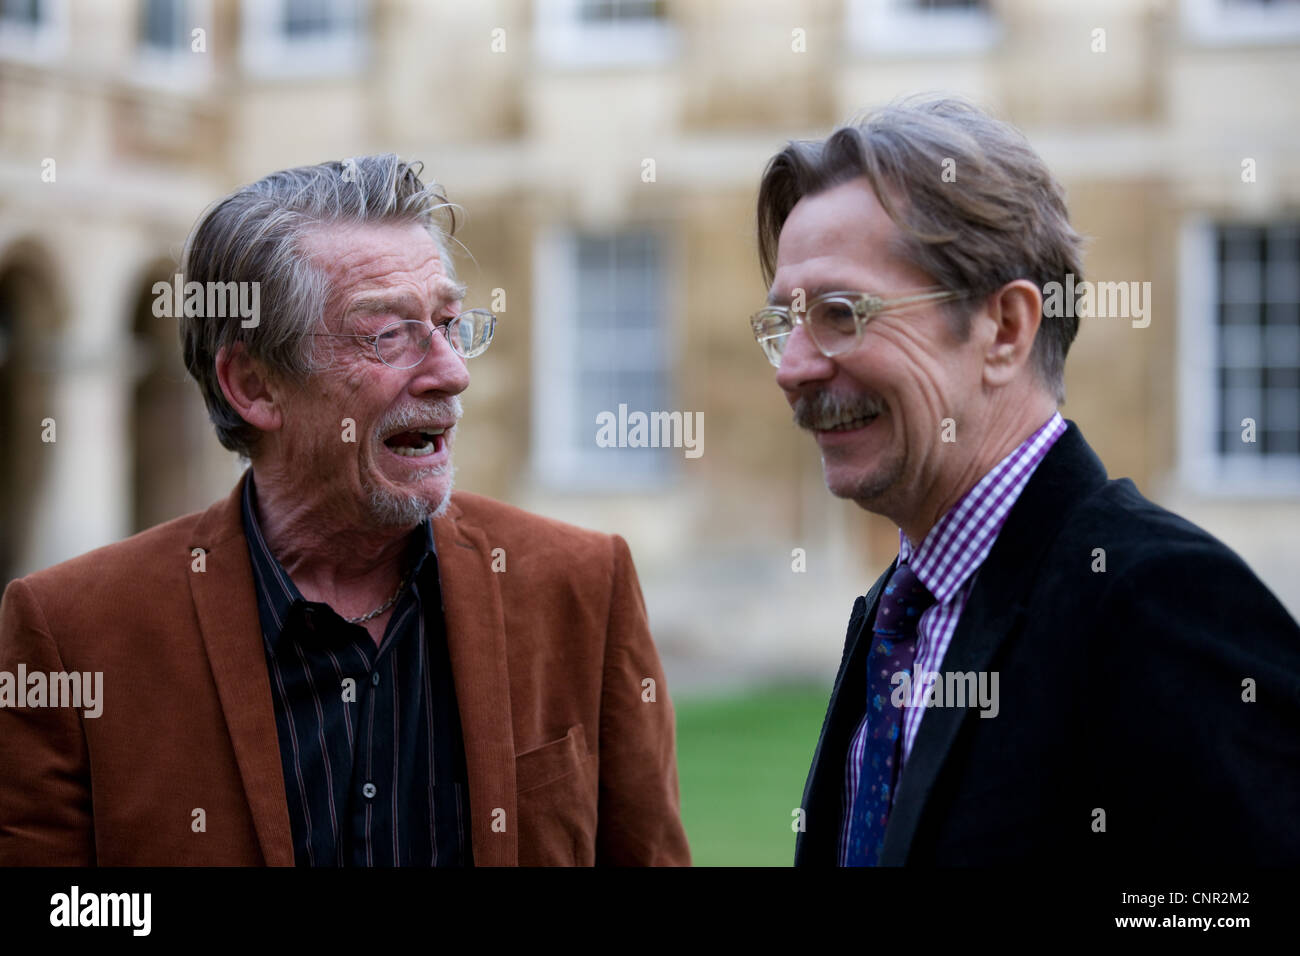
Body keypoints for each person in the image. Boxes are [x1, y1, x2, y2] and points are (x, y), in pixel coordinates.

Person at [0, 155, 690, 867]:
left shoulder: (581, 587)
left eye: (450, 323)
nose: (452, 371)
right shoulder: (73, 635)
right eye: (388, 334)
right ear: (254, 384)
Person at [750, 97, 1300, 866]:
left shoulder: (1163, 600)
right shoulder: (894, 613)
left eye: (842, 313)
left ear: (1005, 329)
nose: (795, 369)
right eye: (784, 325)